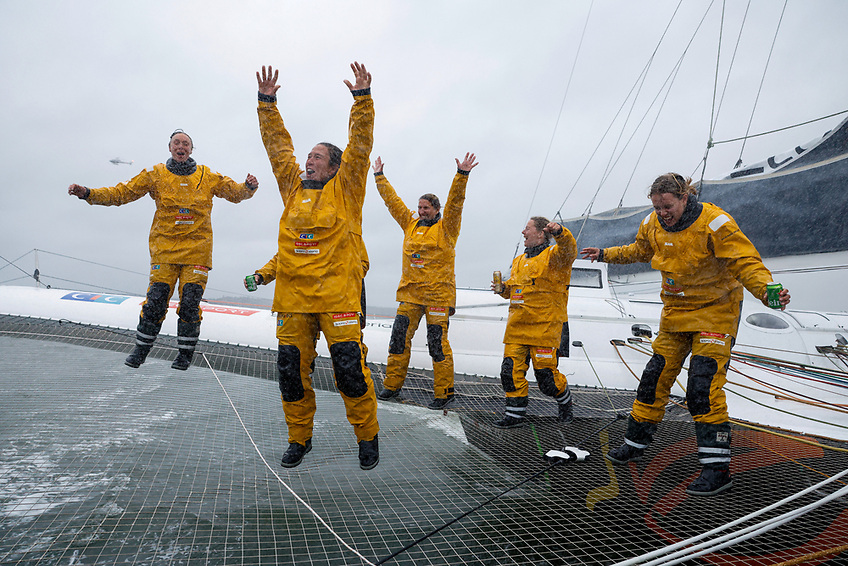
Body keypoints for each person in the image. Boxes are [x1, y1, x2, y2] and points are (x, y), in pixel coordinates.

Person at [581, 172, 791, 497]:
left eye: (667, 206)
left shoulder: (715, 222)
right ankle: (635, 443)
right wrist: (606, 254)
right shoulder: (651, 224)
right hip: (676, 315)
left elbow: (745, 261)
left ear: (684, 198)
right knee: (654, 377)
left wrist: (766, 292)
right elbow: (639, 249)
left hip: (716, 313)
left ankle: (717, 469)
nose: (662, 213)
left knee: (701, 387)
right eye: (656, 206)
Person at [248, 63, 379, 471]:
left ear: (334, 167)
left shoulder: (347, 188)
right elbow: (277, 149)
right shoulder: (292, 188)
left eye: (317, 157)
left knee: (349, 372)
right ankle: (299, 438)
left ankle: (367, 436)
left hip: (337, 298)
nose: (308, 161)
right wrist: (267, 103)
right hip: (293, 300)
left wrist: (362, 100)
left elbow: (359, 146)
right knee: (290, 372)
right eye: (308, 156)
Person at [68, 130, 258, 371]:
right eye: (176, 143)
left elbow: (234, 193)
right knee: (156, 302)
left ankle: (185, 354)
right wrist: (88, 193)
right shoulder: (155, 174)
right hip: (164, 250)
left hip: (197, 251)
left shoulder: (207, 176)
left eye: (186, 144)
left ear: (191, 149)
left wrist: (248, 188)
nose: (181, 147)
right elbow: (122, 193)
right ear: (169, 148)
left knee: (190, 301)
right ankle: (141, 349)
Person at [372, 153, 478, 410]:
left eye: (426, 208)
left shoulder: (447, 228)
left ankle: (444, 392)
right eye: (419, 208)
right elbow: (393, 203)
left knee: (437, 345)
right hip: (410, 295)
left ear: (436, 210)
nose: (421, 211)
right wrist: (379, 177)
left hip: (437, 298)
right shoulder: (410, 224)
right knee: (398, 339)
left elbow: (456, 204)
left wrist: (461, 175)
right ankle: (392, 385)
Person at [492, 217, 578, 428]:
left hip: (544, 328)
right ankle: (515, 415)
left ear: (541, 233)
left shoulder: (555, 257)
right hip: (517, 328)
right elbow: (515, 289)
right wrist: (503, 289)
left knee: (546, 379)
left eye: (527, 229)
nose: (523, 232)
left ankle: (565, 401)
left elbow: (569, 250)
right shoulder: (519, 261)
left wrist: (560, 233)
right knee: (509, 372)